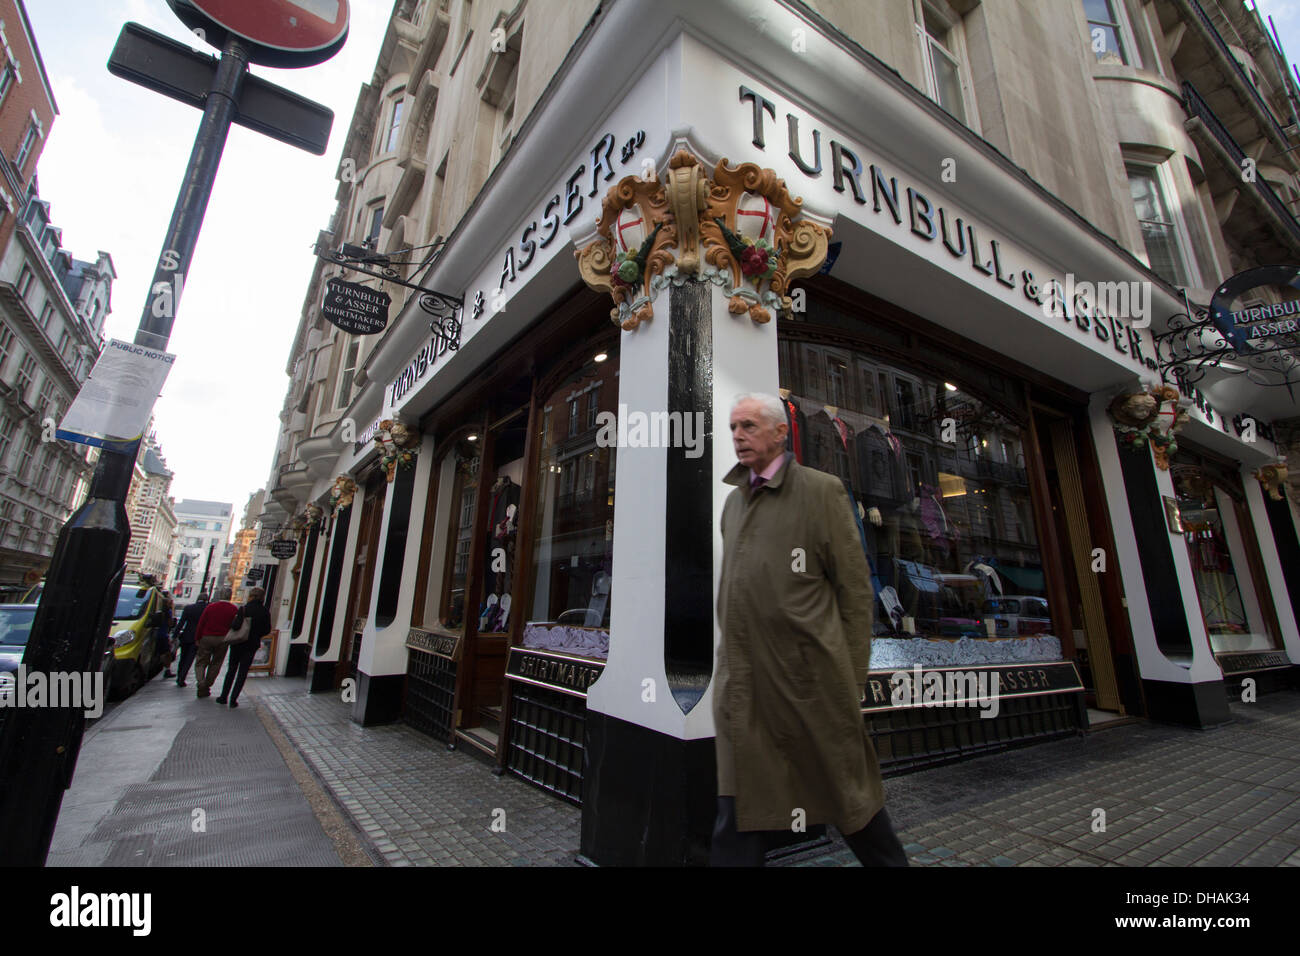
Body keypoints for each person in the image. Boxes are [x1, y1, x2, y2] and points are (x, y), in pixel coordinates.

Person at [712, 392, 908, 867]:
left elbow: (856, 596)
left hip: (810, 689)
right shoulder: (733, 505)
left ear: (781, 432)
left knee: (852, 803)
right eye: (734, 427)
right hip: (744, 689)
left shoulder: (822, 492)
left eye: (750, 426)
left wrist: (848, 680)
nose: (738, 436)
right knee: (736, 813)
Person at [216, 587, 271, 708]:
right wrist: (256, 634)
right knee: (242, 672)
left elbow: (235, 626)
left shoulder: (244, 609)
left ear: (251, 596)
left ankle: (223, 696)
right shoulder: (265, 611)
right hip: (252, 644)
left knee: (231, 669)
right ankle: (233, 699)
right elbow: (267, 629)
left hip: (238, 643)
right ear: (262, 597)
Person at [192, 587, 239, 699]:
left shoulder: (211, 607)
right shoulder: (234, 609)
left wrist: (197, 638)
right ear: (230, 596)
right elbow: (235, 626)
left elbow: (201, 623)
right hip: (223, 639)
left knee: (201, 661)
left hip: (207, 637)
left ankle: (201, 682)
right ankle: (208, 683)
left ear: (220, 595)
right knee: (216, 663)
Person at [172, 591, 210, 687]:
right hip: (198, 638)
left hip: (186, 636)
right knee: (190, 659)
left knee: (183, 658)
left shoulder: (189, 608)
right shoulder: (207, 609)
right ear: (206, 599)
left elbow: (181, 623)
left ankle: (179, 675)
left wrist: (174, 635)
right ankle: (182, 677)